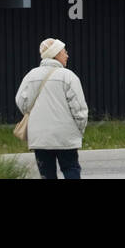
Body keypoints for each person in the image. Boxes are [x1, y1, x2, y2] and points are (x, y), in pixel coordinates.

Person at [15, 37, 89, 179]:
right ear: (55, 54)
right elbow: (79, 109)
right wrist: (79, 129)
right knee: (70, 168)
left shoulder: (30, 76)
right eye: (64, 52)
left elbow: (21, 102)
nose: (67, 55)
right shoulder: (69, 76)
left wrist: (34, 116)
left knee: (47, 174)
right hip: (66, 136)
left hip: (40, 137)